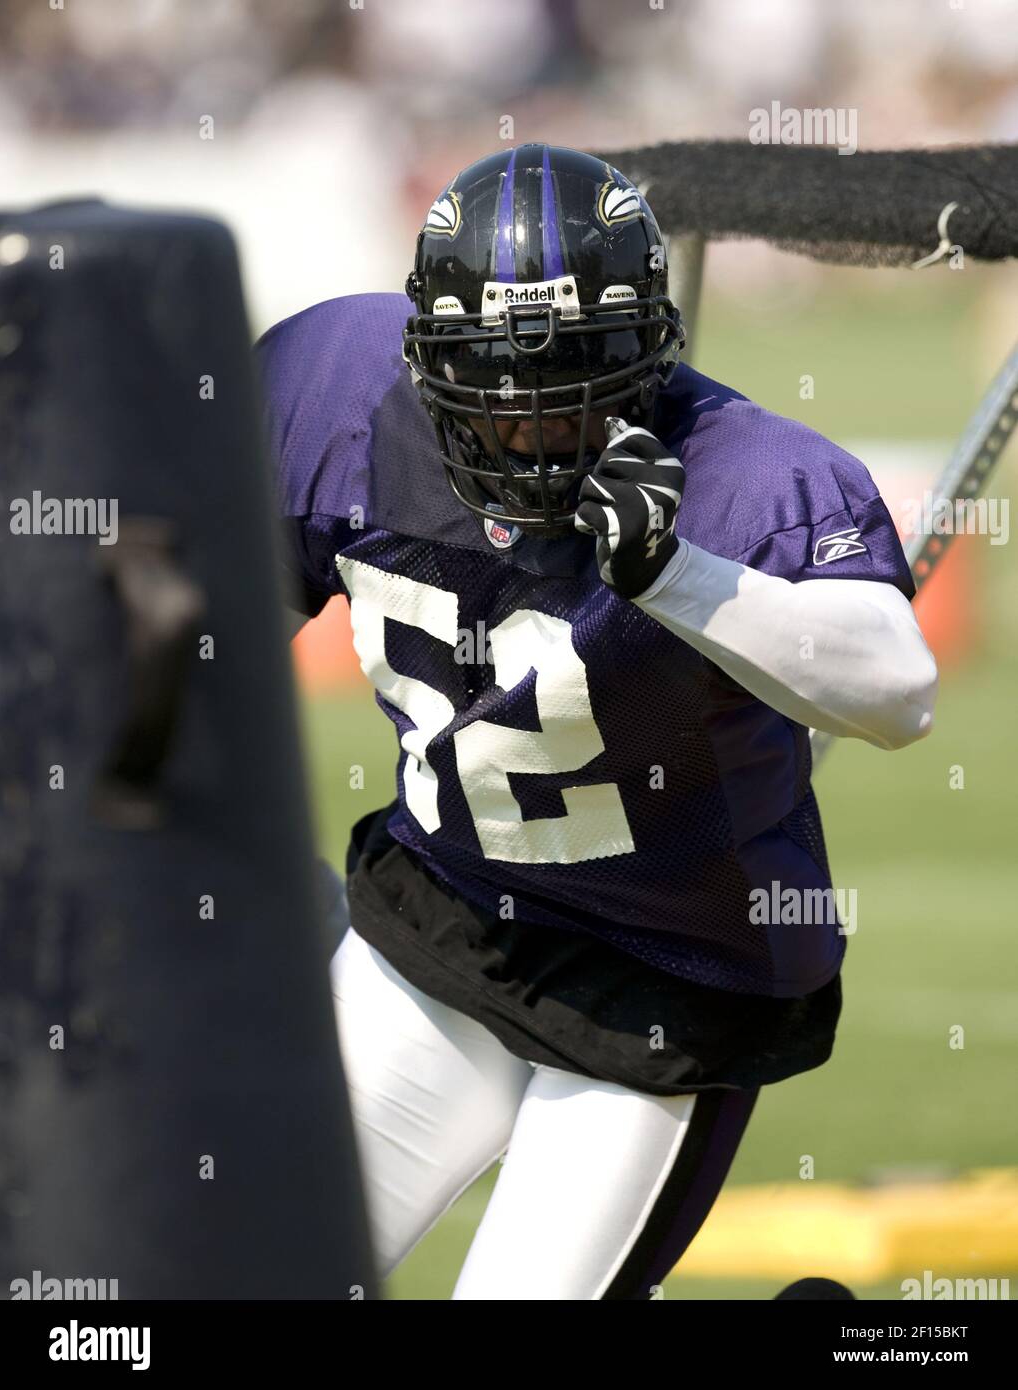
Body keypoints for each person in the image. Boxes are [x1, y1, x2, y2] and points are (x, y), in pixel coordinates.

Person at [256, 143, 938, 1300]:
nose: (530, 428)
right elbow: (193, 617)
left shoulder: (743, 476)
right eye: (494, 386)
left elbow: (898, 692)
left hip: (661, 979)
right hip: (440, 917)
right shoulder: (334, 391)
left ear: (648, 360)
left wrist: (674, 574)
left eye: (569, 388)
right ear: (427, 353)